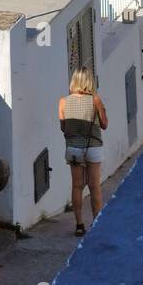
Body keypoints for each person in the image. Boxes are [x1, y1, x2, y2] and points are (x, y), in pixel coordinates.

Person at [58, 67, 108, 235]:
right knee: (94, 186)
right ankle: (97, 223)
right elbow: (104, 124)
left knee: (77, 186)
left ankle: (79, 225)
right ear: (89, 81)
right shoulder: (95, 100)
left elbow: (63, 128)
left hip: (73, 148)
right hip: (93, 146)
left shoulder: (63, 102)